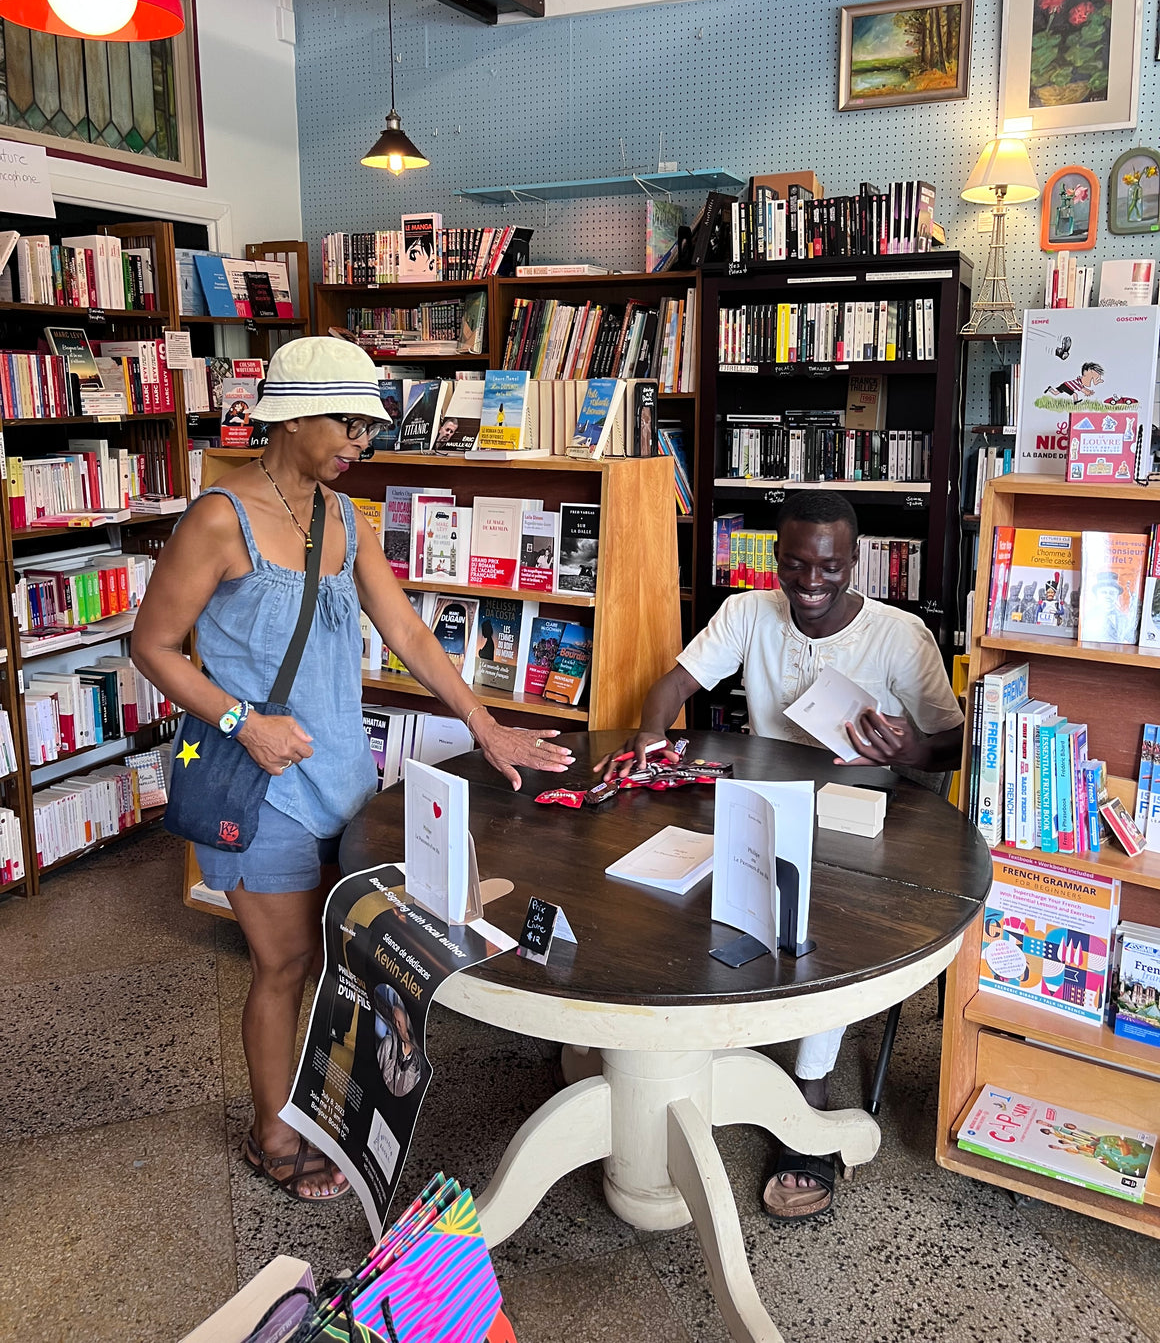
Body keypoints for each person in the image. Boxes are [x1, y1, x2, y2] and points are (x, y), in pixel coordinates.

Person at [132, 337, 573, 1202]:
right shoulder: (219, 517)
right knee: (285, 962)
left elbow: (408, 633)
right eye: (347, 422)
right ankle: (270, 1132)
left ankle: (331, 1103)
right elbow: (149, 646)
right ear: (291, 416)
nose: (359, 442)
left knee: (349, 955)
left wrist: (488, 727)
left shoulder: (344, 518)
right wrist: (243, 721)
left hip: (344, 775)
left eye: (367, 426)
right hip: (261, 786)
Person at [598, 490, 963, 1221]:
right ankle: (673, 1045)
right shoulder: (747, 612)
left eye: (828, 566)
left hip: (861, 825)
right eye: (795, 565)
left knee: (821, 915)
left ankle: (810, 1095)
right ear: (776, 559)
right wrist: (649, 735)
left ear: (853, 560)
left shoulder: (900, 635)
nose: (811, 582)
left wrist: (910, 747)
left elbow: (953, 743)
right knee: (659, 870)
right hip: (759, 804)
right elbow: (674, 684)